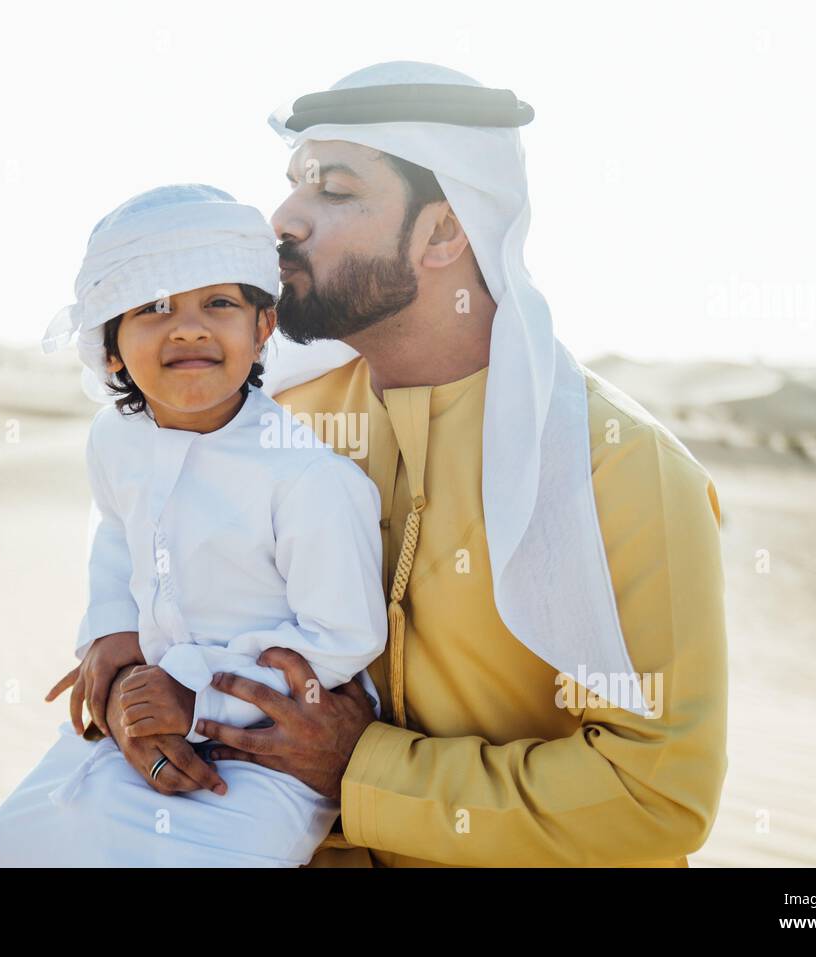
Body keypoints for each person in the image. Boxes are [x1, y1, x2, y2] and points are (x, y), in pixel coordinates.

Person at [151, 61, 732, 867]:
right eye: (292, 186)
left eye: (336, 190)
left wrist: (368, 770)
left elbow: (656, 793)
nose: (281, 218)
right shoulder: (271, 426)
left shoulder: (619, 471)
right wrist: (125, 689)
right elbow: (173, 616)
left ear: (443, 233)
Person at [0, 184, 387, 867]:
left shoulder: (308, 478)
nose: (190, 328)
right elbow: (115, 535)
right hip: (143, 717)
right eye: (153, 308)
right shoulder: (114, 439)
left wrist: (194, 693)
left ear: (263, 329)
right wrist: (111, 630)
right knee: (19, 835)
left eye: (219, 303)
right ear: (109, 346)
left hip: (265, 753)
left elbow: (341, 640)